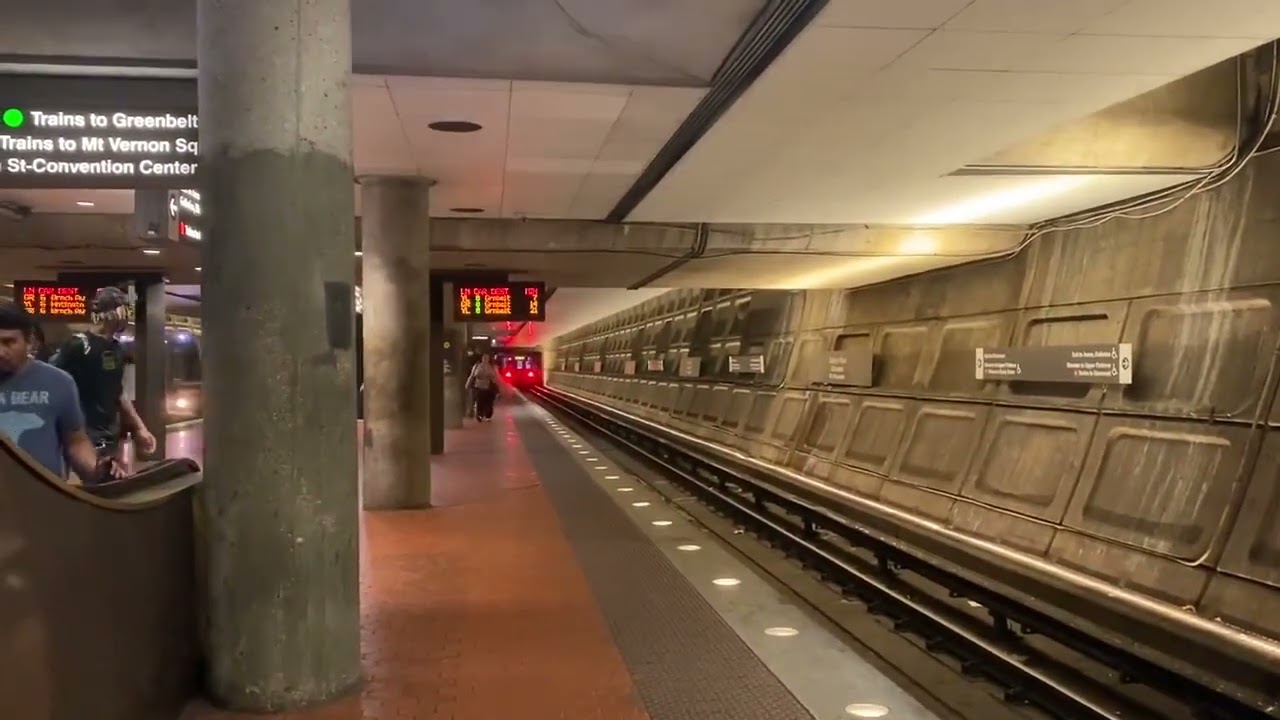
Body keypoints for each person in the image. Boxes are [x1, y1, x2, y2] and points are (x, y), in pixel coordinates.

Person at [0, 305, 123, 482]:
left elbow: (76, 442)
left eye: (9, 342)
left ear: (29, 342)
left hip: (45, 498)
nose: (1, 352)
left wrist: (97, 470)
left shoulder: (58, 382)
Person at [52, 287, 157, 462]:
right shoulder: (78, 345)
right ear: (111, 313)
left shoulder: (117, 349)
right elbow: (53, 380)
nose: (127, 316)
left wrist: (140, 428)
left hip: (109, 434)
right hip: (81, 434)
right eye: (124, 309)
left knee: (108, 484)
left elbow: (118, 392)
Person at [466, 353, 500, 422]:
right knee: (479, 401)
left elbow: (496, 377)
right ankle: (480, 415)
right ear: (481, 359)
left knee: (489, 402)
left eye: (487, 358)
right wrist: (468, 384)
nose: (485, 360)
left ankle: (488, 415)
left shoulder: (492, 367)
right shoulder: (477, 366)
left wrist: (498, 386)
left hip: (489, 387)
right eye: (484, 358)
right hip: (479, 386)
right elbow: (472, 375)